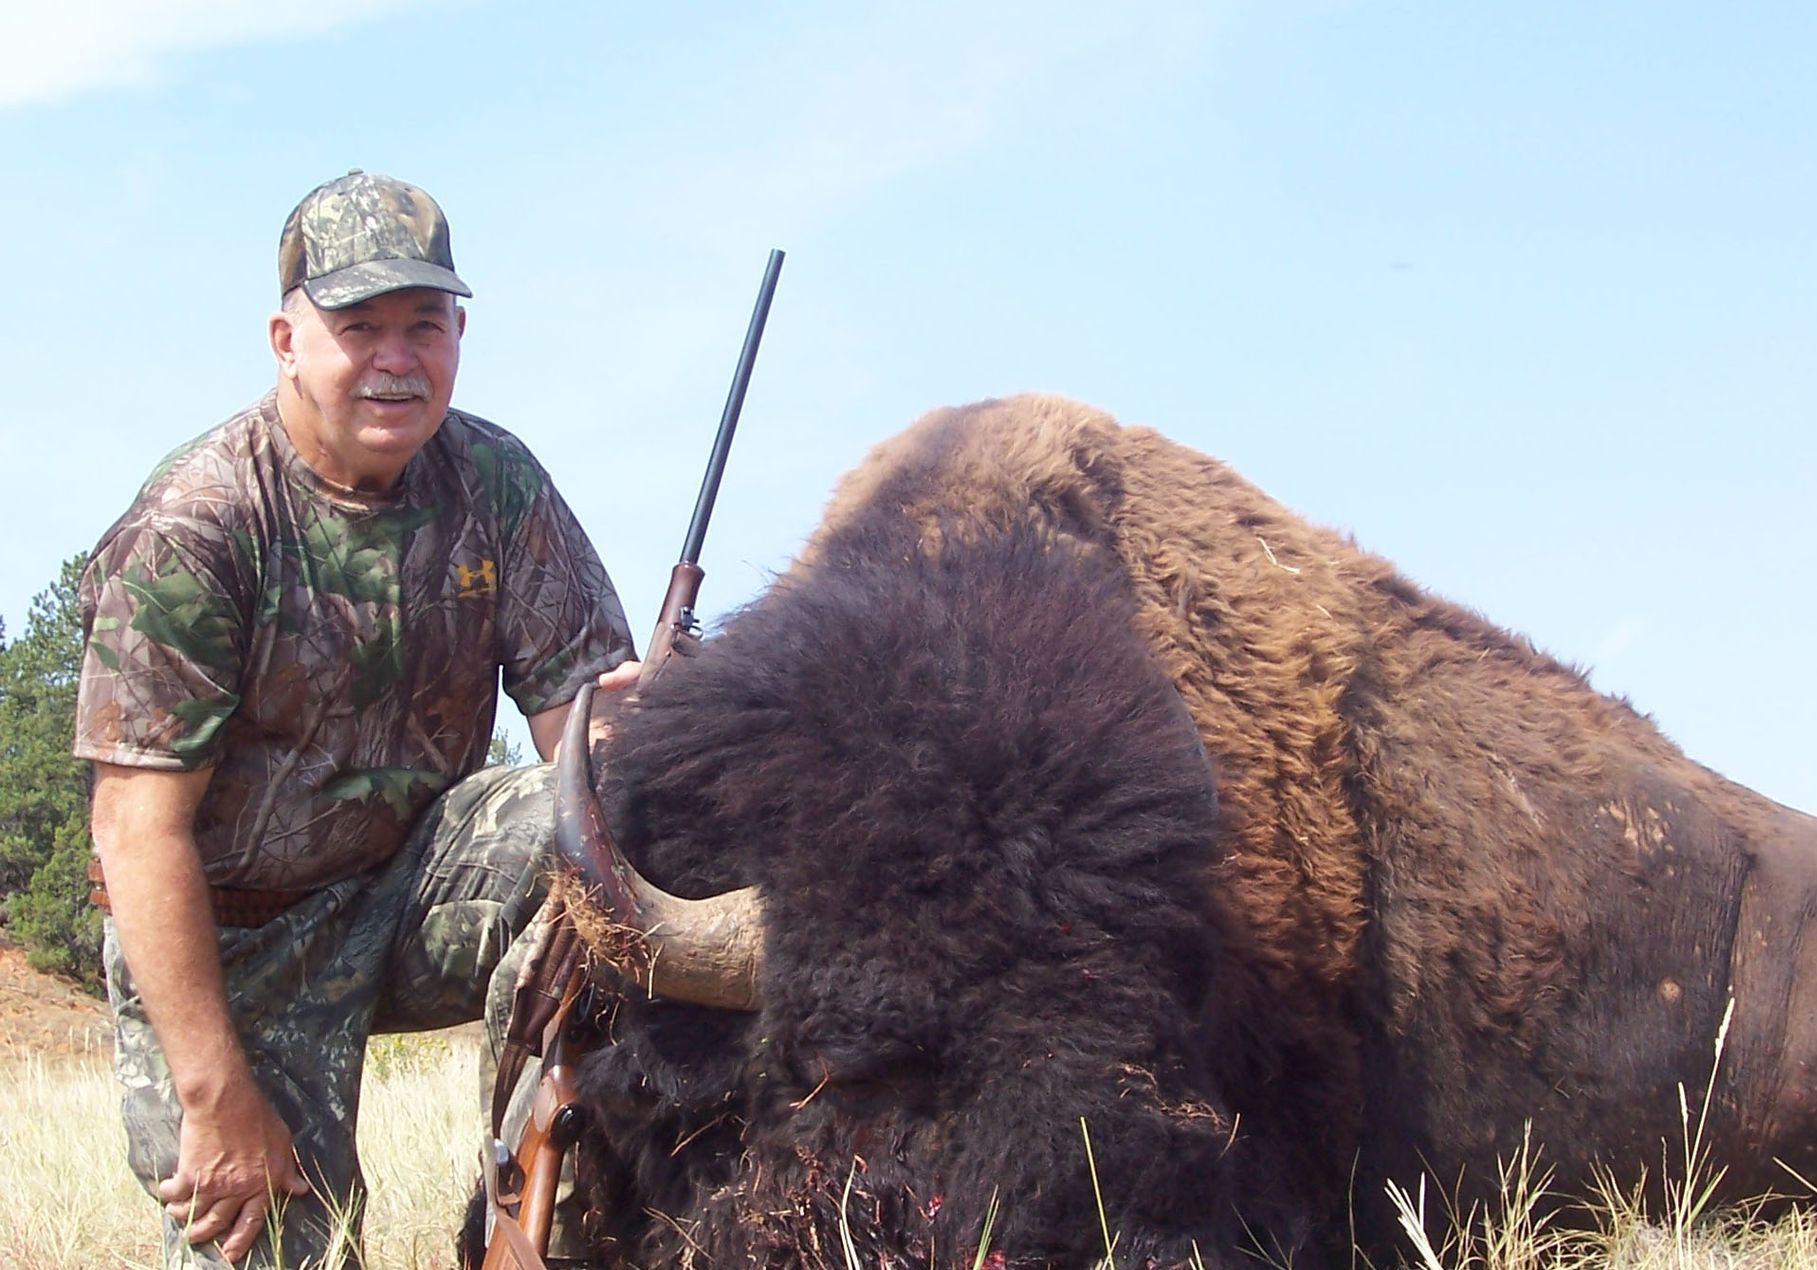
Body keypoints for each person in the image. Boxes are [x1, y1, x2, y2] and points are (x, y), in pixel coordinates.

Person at [73, 170, 637, 1268]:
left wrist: (634, 734)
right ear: (286, 340)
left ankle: (537, 1200)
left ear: (458, 334)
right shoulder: (198, 527)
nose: (395, 358)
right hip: (228, 940)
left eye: (422, 326)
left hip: (409, 884)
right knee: (285, 1244)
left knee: (603, 824)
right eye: (357, 326)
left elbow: (583, 736)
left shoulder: (496, 480)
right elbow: (135, 833)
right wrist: (214, 1093)